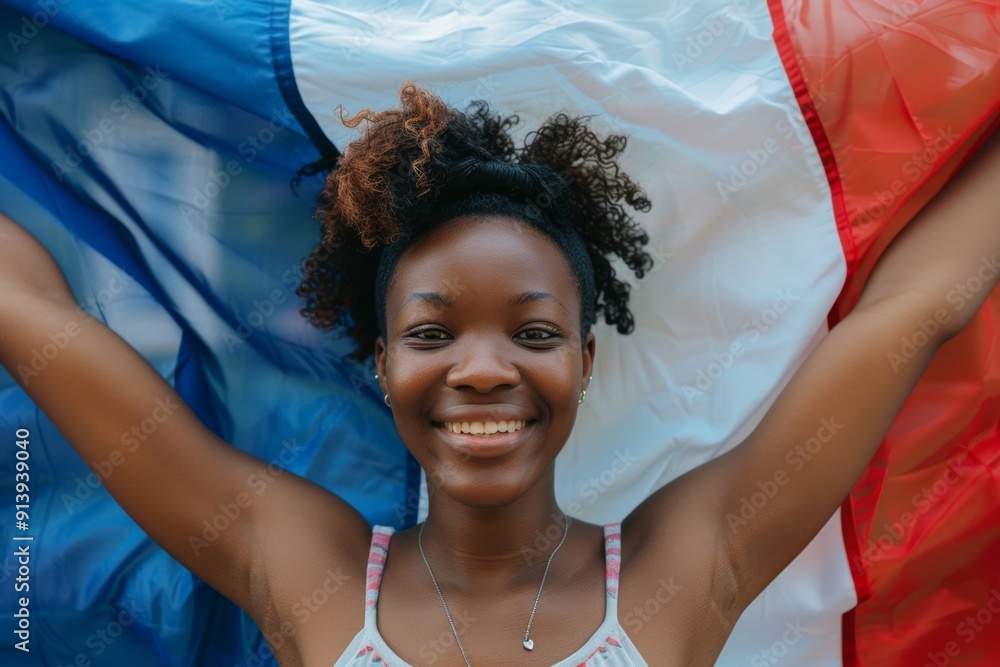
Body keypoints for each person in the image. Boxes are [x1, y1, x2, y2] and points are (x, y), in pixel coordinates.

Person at [0, 83, 997, 667]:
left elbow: (912, 313)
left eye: (530, 332)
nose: (482, 370)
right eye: (433, 337)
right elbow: (37, 323)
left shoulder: (680, 571)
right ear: (383, 366)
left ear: (583, 358)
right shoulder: (307, 573)